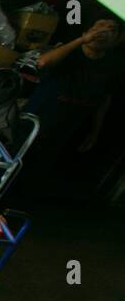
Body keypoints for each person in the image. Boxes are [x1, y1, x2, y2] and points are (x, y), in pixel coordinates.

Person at [18, 18, 124, 197]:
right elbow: (43, 62)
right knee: (16, 156)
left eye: (111, 30)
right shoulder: (69, 52)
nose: (103, 32)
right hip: (37, 116)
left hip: (68, 124)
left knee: (39, 166)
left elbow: (105, 100)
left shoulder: (114, 66)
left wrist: (95, 131)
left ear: (116, 39)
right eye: (98, 26)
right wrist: (81, 40)